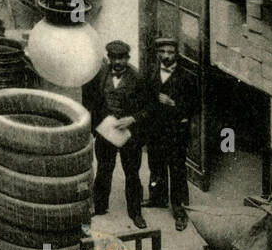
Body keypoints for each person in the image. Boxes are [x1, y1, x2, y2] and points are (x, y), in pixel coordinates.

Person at [84, 40, 151, 229]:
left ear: (127, 58)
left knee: (132, 174)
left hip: (129, 135)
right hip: (106, 133)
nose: (118, 62)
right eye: (114, 58)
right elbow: (92, 101)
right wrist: (94, 127)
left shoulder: (137, 78)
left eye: (122, 58)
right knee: (104, 170)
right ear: (109, 58)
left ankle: (135, 212)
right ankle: (99, 206)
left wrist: (132, 119)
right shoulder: (100, 74)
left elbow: (148, 108)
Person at [144, 37, 197, 231]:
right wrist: (155, 98)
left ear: (176, 54)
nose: (166, 56)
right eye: (163, 52)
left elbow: (193, 107)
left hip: (176, 132)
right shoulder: (151, 72)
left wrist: (173, 105)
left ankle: (179, 210)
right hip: (156, 130)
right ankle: (157, 198)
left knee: (176, 169)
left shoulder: (186, 77)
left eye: (170, 52)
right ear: (158, 53)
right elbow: (145, 97)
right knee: (155, 165)